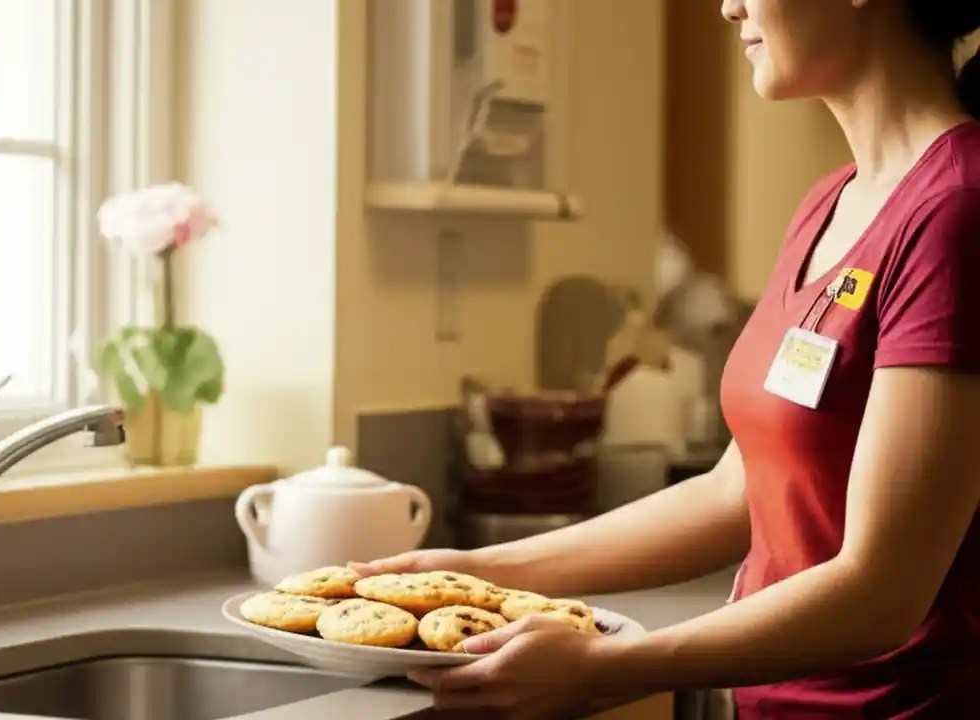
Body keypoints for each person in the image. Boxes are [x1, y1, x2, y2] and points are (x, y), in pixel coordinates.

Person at [351, 1, 980, 717]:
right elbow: (735, 492)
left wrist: (608, 668)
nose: (729, 6)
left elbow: (883, 592)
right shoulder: (832, 204)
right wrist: (479, 573)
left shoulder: (957, 208)